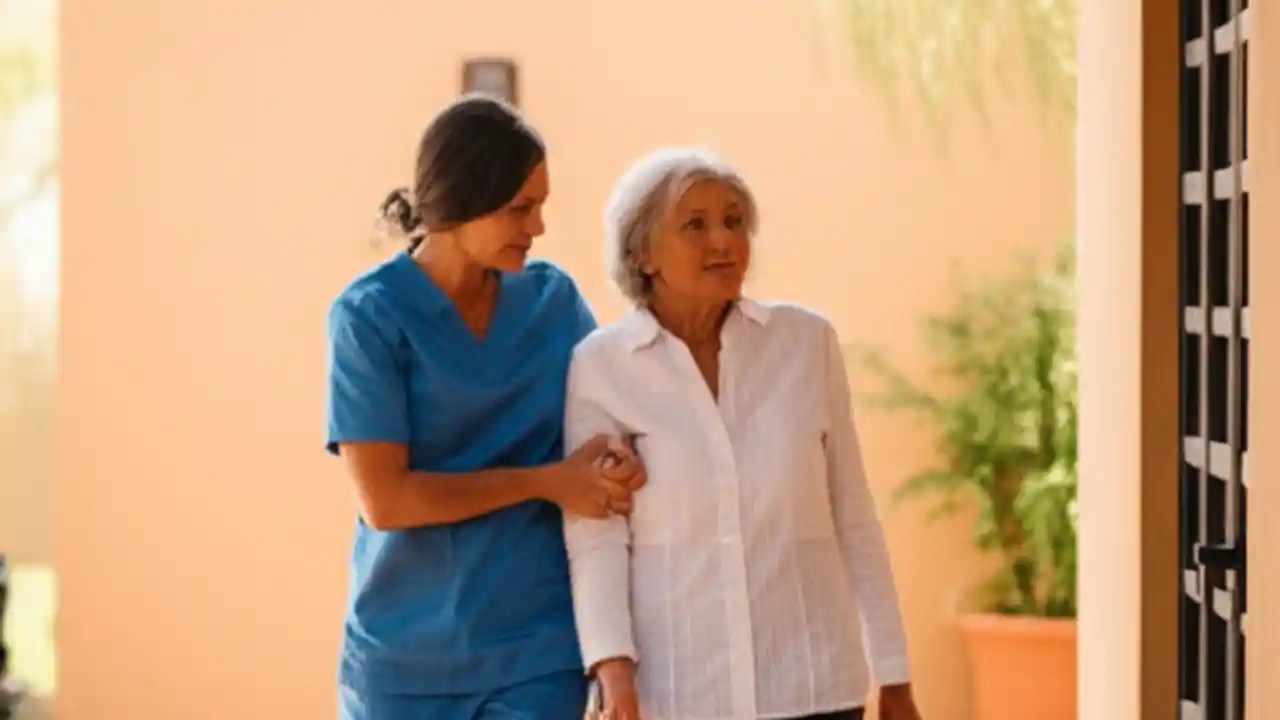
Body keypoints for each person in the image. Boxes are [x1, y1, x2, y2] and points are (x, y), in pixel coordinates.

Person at [563, 148, 924, 720]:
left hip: (813, 684)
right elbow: (596, 538)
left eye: (734, 221)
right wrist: (614, 672)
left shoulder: (807, 344)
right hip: (677, 693)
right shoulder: (602, 366)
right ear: (643, 252)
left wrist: (895, 677)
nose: (723, 241)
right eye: (695, 225)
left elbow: (853, 514)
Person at [325, 94, 644, 720]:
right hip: (401, 663)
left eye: (541, 206)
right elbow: (387, 501)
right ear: (458, 203)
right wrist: (545, 483)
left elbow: (609, 425)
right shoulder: (368, 317)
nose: (539, 228)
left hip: (536, 651)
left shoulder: (553, 301)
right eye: (520, 208)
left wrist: (615, 463)